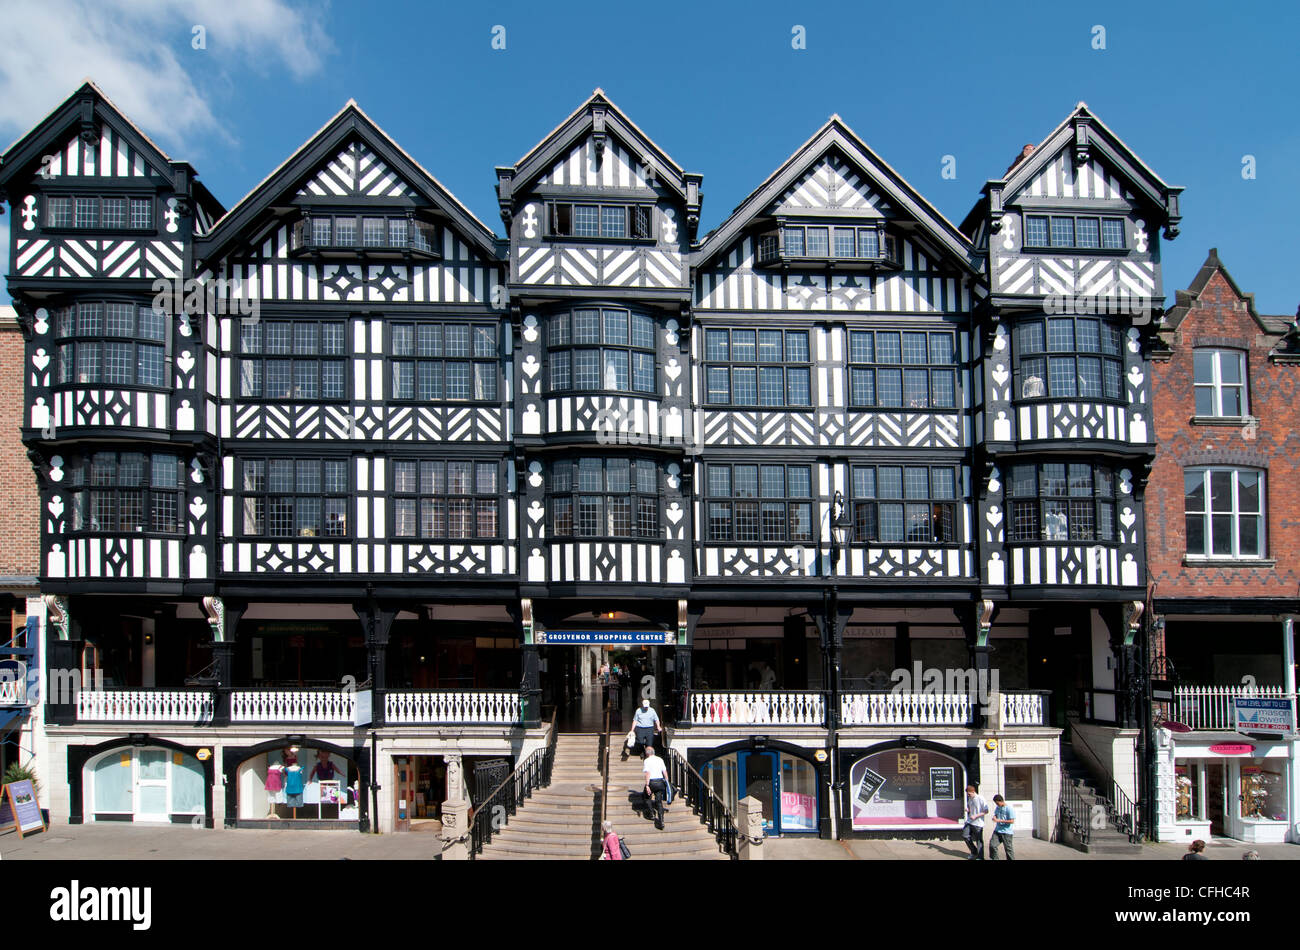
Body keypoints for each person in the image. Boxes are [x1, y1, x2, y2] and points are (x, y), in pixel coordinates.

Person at [642, 746, 669, 829]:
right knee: (659, 802)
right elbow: (664, 771)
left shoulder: (647, 761)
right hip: (660, 781)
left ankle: (651, 814)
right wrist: (666, 782)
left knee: (647, 797)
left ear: (647, 753)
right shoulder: (660, 759)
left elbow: (647, 773)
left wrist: (647, 785)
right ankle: (661, 820)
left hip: (652, 782)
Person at [963, 784, 988, 860]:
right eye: (967, 794)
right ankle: (974, 852)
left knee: (979, 840)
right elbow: (971, 808)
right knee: (965, 836)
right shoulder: (970, 798)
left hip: (978, 823)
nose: (968, 795)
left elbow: (986, 811)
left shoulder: (980, 798)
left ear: (973, 792)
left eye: (969, 794)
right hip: (970, 821)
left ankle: (980, 857)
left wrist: (976, 816)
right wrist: (968, 809)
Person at [989, 794, 1015, 860]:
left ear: (1001, 801)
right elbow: (996, 814)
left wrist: (999, 820)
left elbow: (1012, 821)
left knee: (1008, 850)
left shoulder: (1009, 809)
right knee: (992, 845)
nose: (997, 805)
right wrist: (994, 817)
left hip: (1007, 832)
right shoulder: (998, 807)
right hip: (997, 831)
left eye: (997, 803)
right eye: (996, 803)